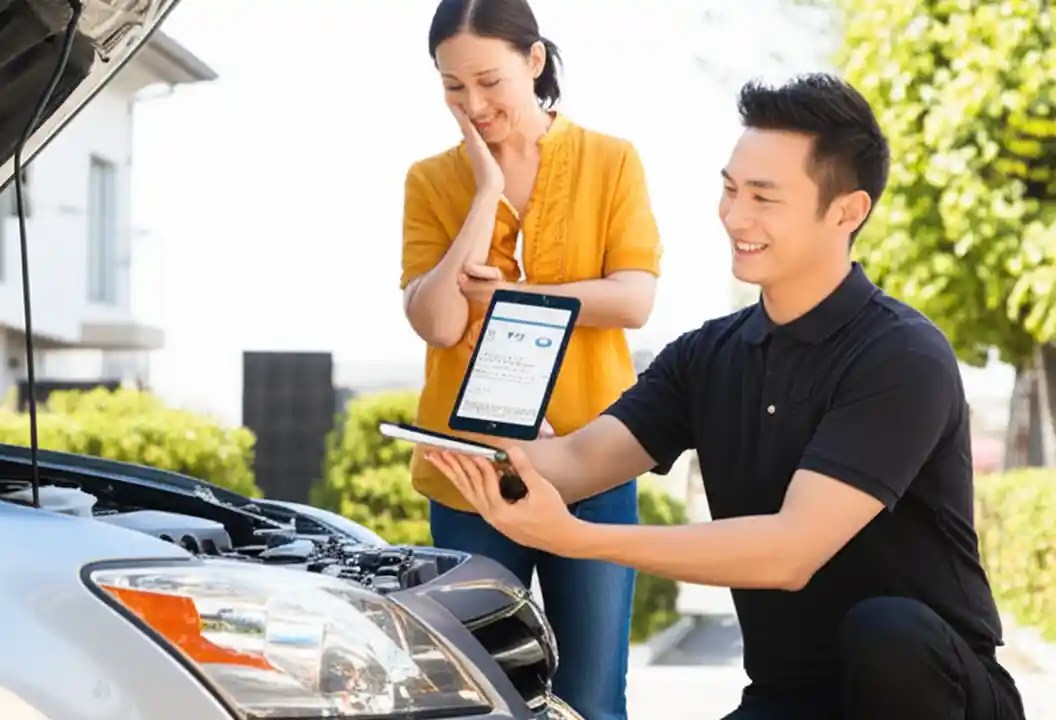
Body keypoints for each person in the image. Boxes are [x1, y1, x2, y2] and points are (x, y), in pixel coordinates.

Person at [423, 73, 1028, 720]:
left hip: (929, 694)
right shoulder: (707, 355)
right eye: (730, 189)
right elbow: (573, 464)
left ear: (848, 212)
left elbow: (790, 552)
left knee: (888, 633)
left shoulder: (901, 356)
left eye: (764, 198)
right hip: (792, 697)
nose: (735, 216)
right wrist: (494, 448)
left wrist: (577, 539)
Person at [398, 0, 662, 716]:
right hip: (471, 477)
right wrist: (485, 190)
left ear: (534, 61)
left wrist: (519, 293)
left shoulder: (611, 161)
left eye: (489, 81)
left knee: (593, 700)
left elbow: (634, 299)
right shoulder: (432, 181)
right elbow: (439, 321)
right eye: (453, 87)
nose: (473, 103)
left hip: (595, 462)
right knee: (478, 700)